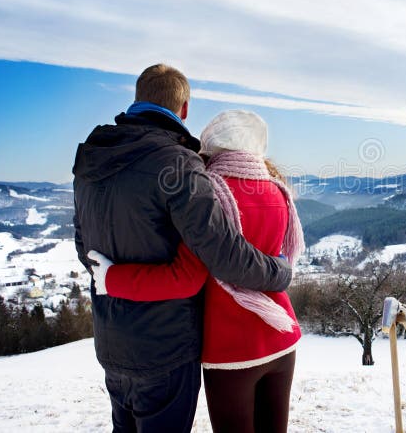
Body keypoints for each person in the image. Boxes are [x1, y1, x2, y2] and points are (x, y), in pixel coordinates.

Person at [72, 65, 292, 433]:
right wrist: (280, 272)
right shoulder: (178, 162)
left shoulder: (92, 158)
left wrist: (113, 279)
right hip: (165, 349)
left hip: (112, 342)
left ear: (137, 98)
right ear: (184, 109)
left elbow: (86, 250)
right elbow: (224, 256)